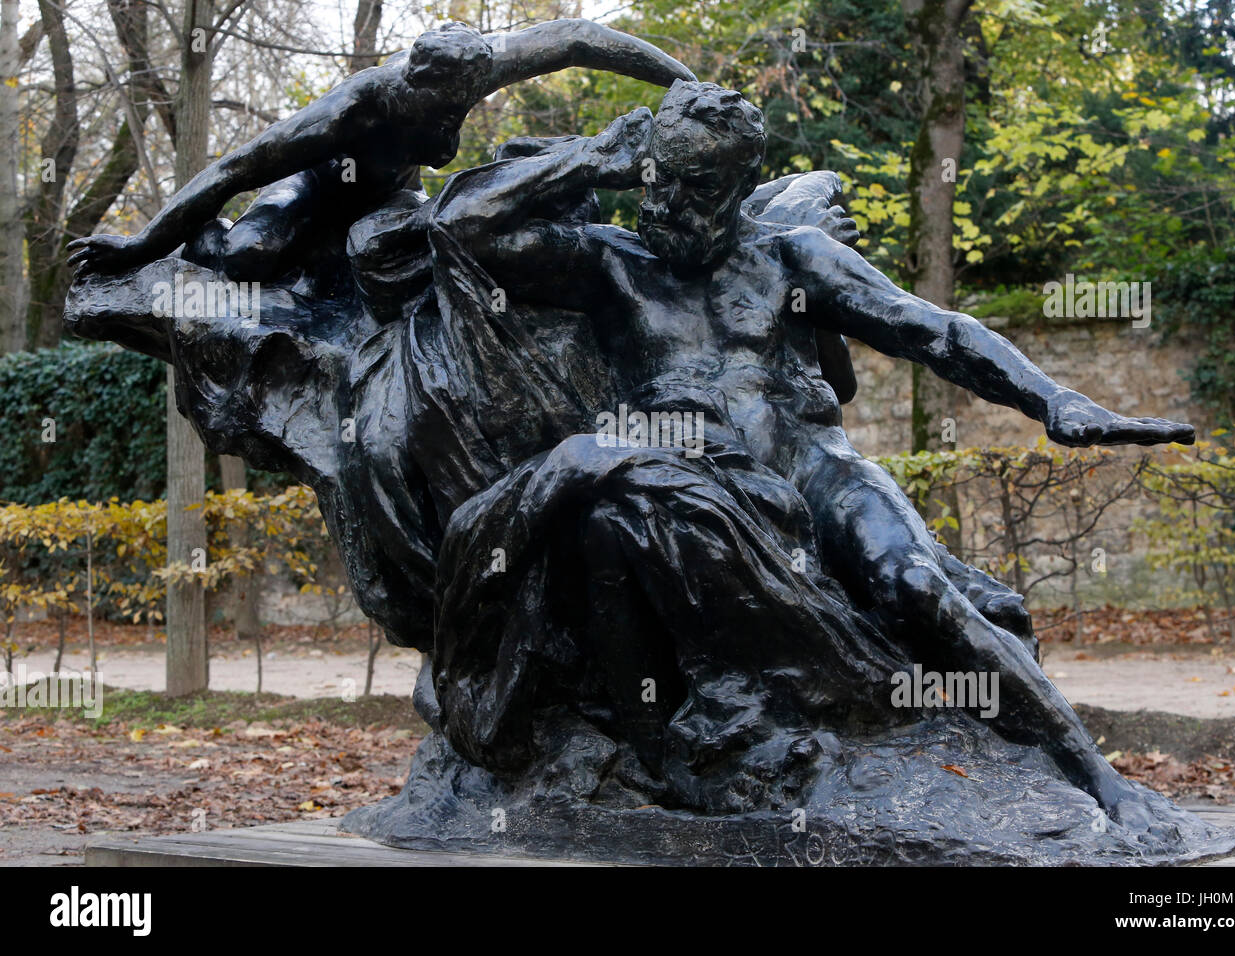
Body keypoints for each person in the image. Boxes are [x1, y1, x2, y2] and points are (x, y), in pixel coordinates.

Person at [429, 82, 1195, 828]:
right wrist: (596, 156)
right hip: (695, 479)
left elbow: (935, 328)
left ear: (738, 185)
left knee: (917, 585)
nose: (662, 205)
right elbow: (461, 225)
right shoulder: (609, 264)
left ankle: (1096, 777)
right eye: (652, 182)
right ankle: (661, 755)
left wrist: (1052, 399)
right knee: (609, 519)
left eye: (692, 187)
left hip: (810, 465)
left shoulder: (792, 259)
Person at [66, 19, 694, 279]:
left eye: (467, 100)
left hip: (393, 195)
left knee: (428, 259)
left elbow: (584, 38)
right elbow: (234, 168)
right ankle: (207, 239)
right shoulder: (349, 112)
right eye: (444, 107)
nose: (457, 114)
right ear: (412, 87)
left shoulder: (478, 65)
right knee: (247, 258)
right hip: (314, 192)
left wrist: (688, 84)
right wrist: (143, 246)